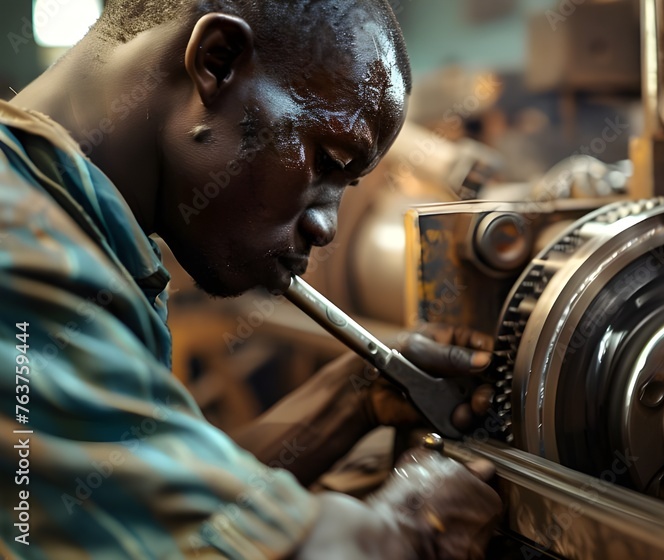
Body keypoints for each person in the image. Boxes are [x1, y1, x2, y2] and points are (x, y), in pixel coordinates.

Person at [0, 0, 502, 558]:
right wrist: (412, 528)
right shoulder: (20, 250)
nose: (326, 226)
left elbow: (149, 508)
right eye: (328, 161)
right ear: (217, 62)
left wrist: (354, 396)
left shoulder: (77, 230)